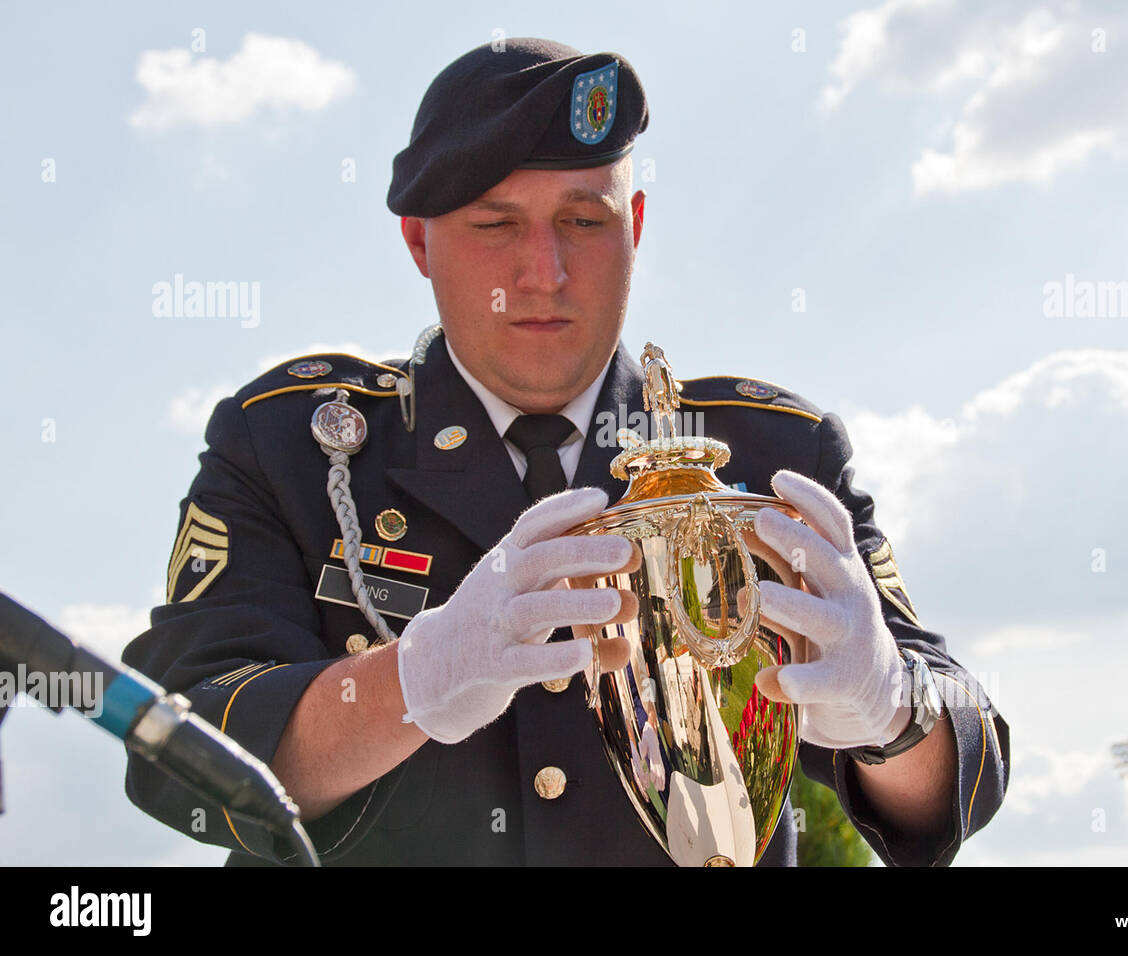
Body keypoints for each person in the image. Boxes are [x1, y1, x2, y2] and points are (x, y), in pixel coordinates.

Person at [123, 37, 1009, 866]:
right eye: (494, 224)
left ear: (639, 226)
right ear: (419, 243)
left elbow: (959, 774)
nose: (543, 272)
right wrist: (411, 683)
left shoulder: (771, 455)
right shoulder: (294, 444)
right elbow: (174, 750)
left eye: (584, 222)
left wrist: (889, 711)